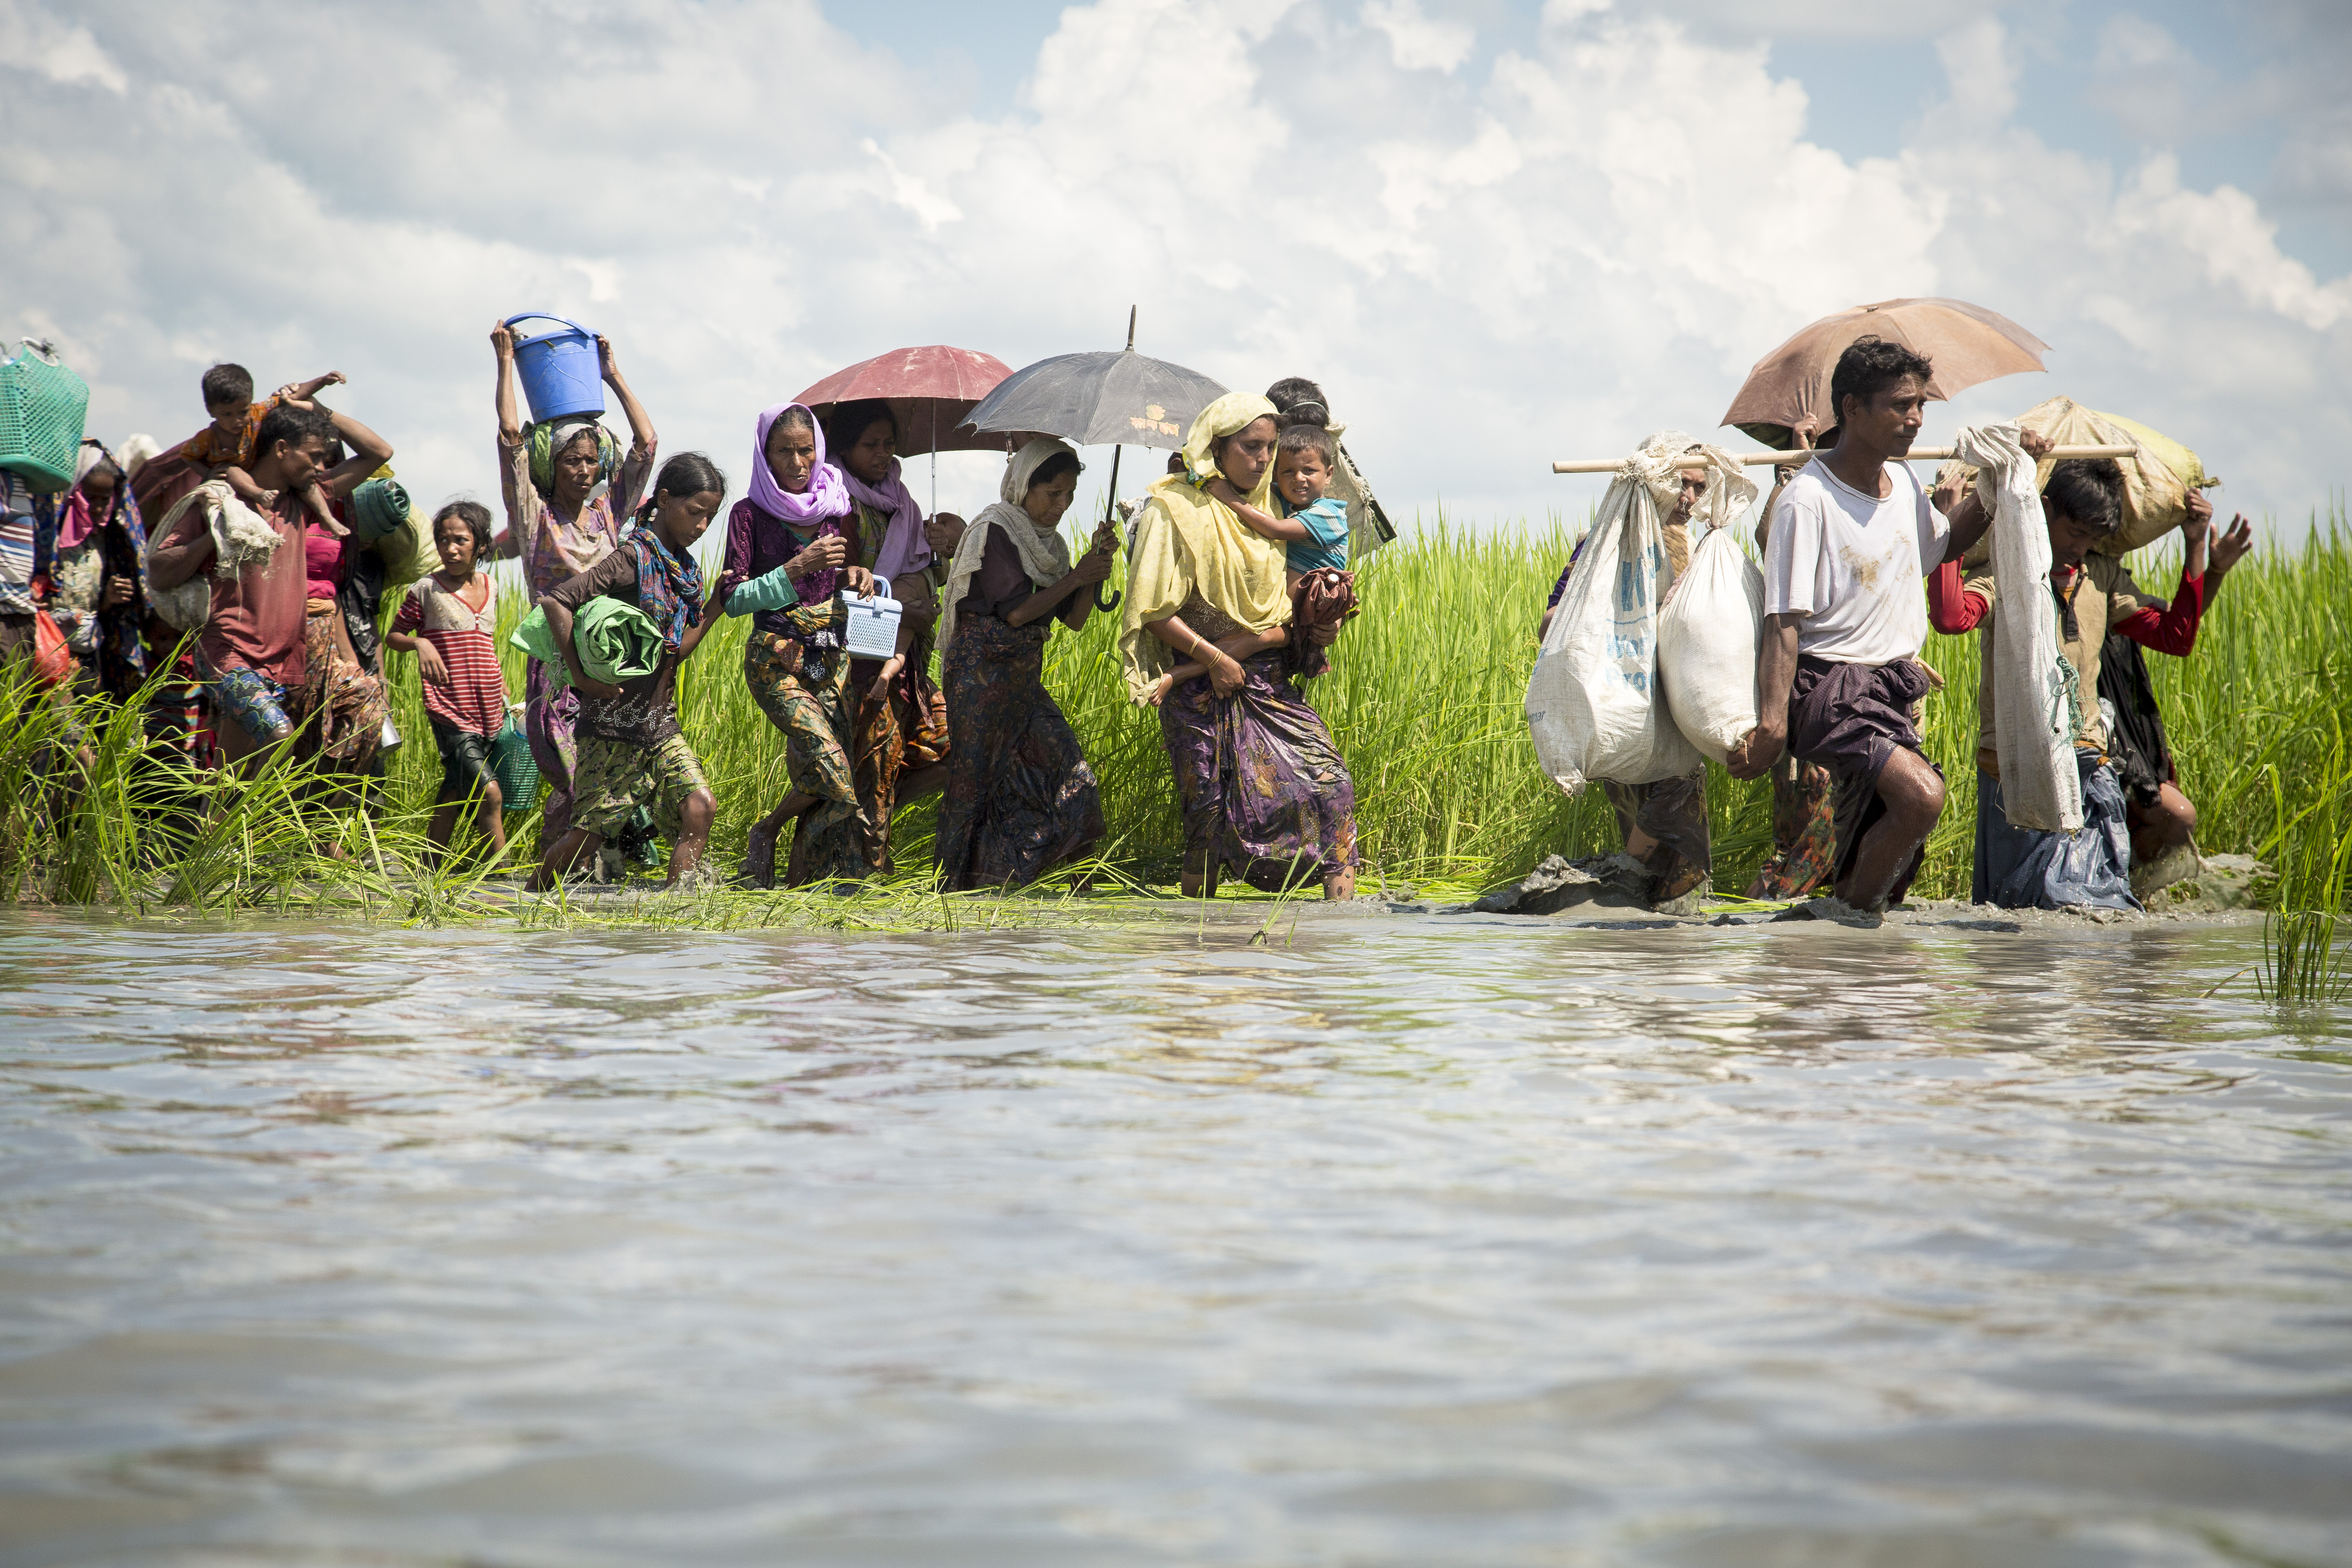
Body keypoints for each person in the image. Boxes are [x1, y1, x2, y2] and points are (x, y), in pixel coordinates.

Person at [1727, 339, 2027, 915]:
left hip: (1890, 687)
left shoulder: (1905, 484)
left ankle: (1843, 957)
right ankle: (1847, 926)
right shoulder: (1807, 499)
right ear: (1852, 408)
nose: (1914, 419)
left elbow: (1941, 548)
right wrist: (1771, 724)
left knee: (1887, 846)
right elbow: (1783, 621)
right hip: (1829, 688)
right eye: (1899, 405)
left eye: (1920, 406)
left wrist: (1996, 483)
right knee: (1922, 797)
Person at [1928, 459, 2252, 908]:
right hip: (2015, 757)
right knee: (2017, 901)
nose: (2082, 548)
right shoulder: (2005, 572)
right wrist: (1950, 532)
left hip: (2087, 752)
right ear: (2044, 512)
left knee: (2094, 900)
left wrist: (2198, 549)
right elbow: (1950, 618)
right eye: (2075, 533)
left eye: (2093, 539)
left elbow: (2175, 637)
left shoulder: (2100, 578)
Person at [1121, 394, 1357, 900]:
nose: (1264, 460)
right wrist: (1215, 657)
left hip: (1269, 679)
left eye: (1270, 448)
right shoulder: (1175, 509)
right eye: (1251, 447)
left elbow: (1299, 590)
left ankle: (1340, 938)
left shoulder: (1276, 506)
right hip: (1202, 682)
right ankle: (1197, 951)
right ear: (1217, 448)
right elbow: (1154, 610)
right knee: (1207, 815)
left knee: (1331, 787)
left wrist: (1320, 624)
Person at [147, 400, 393, 766]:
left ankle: (216, 822)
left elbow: (379, 453)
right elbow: (159, 571)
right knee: (279, 737)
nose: (319, 466)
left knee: (230, 773)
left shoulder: (303, 502)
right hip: (231, 655)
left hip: (281, 662)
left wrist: (318, 410)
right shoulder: (222, 503)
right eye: (312, 455)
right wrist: (214, 539)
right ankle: (251, 822)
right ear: (281, 449)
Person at [490, 321, 657, 858]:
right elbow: (511, 441)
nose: (585, 471)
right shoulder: (535, 518)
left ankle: (562, 873)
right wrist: (505, 362)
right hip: (557, 659)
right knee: (566, 765)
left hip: (607, 656)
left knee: (600, 769)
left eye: (591, 461)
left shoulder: (610, 513)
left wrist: (612, 375)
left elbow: (647, 445)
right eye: (573, 461)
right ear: (553, 465)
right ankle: (577, 864)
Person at [529, 454, 727, 892]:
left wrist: (714, 605)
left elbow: (678, 650)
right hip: (612, 727)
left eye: (711, 517)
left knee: (700, 806)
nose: (701, 526)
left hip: (658, 724)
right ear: (666, 500)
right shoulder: (632, 560)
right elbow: (557, 601)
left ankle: (676, 917)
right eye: (695, 513)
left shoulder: (682, 573)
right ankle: (531, 901)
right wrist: (582, 679)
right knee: (589, 836)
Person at [933, 438, 1112, 891]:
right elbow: (1015, 612)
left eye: (1069, 495)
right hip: (980, 676)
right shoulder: (996, 529)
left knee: (1070, 770)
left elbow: (1073, 619)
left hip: (1021, 676)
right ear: (1024, 486)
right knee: (973, 783)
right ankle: (948, 891)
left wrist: (1096, 567)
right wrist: (1078, 576)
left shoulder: (1052, 547)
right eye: (1053, 493)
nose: (1061, 505)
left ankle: (1080, 883)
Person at [1539, 453, 1717, 904]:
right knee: (1654, 817)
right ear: (1654, 484)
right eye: (1682, 484)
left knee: (1684, 866)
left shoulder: (1700, 554)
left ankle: (1632, 907)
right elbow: (1549, 624)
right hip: (1623, 709)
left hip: (1674, 712)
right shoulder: (1603, 546)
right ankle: (1619, 882)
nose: (1690, 498)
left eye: (1700, 488)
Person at [719, 403, 876, 888]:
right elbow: (733, 598)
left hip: (830, 660)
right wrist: (796, 568)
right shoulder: (748, 515)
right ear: (766, 455)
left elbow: (844, 579)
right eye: (783, 451)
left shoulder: (837, 508)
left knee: (814, 770)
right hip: (775, 660)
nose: (798, 463)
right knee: (828, 762)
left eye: (806, 451)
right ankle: (766, 830)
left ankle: (799, 882)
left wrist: (859, 576)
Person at [2093, 488, 2252, 891]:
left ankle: (2135, 890)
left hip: (2128, 723)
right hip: (2095, 724)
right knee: (2175, 815)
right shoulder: (2083, 578)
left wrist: (2210, 567)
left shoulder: (2113, 585)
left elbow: (2176, 627)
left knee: (2173, 818)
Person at [829, 399, 950, 856]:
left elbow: (928, 574)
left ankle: (868, 833)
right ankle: (866, 869)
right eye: (870, 445)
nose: (882, 454)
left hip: (905, 660)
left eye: (889, 444)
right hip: (858, 662)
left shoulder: (904, 503)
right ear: (846, 448)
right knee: (871, 763)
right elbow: (846, 585)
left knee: (945, 745)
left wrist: (943, 548)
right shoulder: (837, 504)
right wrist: (910, 609)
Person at [1744, 435, 1840, 900]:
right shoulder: (1799, 499)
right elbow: (1768, 539)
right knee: (1805, 815)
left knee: (1826, 812)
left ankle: (1784, 901)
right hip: (1804, 686)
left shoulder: (1859, 501)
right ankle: (1774, 900)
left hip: (1847, 686)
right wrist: (1789, 472)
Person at [388, 501, 509, 864]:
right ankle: (504, 880)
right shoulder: (427, 589)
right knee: (490, 794)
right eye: (443, 540)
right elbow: (394, 636)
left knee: (455, 791)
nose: (450, 549)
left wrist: (501, 684)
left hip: (488, 705)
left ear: (481, 545)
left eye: (461, 540)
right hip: (449, 708)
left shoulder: (492, 585)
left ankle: (429, 867)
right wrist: (420, 642)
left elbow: (485, 643)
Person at [185, 363, 348, 540]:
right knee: (231, 471)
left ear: (251, 401)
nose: (238, 420)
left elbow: (292, 395)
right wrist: (208, 474)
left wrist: (322, 381)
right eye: (228, 415)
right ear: (211, 410)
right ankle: (259, 495)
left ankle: (327, 518)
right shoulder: (207, 439)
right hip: (238, 476)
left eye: (243, 411)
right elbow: (189, 457)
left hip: (261, 466)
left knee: (306, 482)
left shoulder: (258, 413)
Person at [46, 440, 152, 704]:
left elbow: (97, 609)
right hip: (47, 650)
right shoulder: (49, 536)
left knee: (84, 730)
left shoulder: (106, 541)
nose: (96, 507)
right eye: (89, 497)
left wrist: (109, 600)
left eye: (105, 499)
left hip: (86, 658)